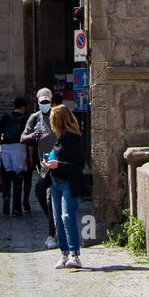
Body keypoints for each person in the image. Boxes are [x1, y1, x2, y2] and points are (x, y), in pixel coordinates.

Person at [45, 104, 85, 269]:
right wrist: (49, 164)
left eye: (53, 120)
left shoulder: (74, 139)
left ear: (59, 120)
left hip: (68, 182)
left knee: (67, 217)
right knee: (57, 220)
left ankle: (75, 255)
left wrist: (58, 165)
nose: (51, 124)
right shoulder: (59, 137)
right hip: (55, 182)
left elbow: (77, 165)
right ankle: (64, 254)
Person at [22, 88, 58, 247]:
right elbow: (22, 137)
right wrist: (32, 136)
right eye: (42, 102)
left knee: (51, 197)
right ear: (38, 102)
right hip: (42, 165)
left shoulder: (57, 115)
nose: (44, 104)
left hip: (57, 162)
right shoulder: (34, 118)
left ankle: (52, 233)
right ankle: (54, 221)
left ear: (51, 102)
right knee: (39, 192)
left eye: (46, 102)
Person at [0, 97, 28, 217]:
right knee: (18, 178)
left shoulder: (5, 117)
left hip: (6, 148)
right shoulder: (25, 119)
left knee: (6, 176)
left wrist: (2, 144)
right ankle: (16, 207)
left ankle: (6, 196)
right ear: (23, 107)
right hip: (19, 148)